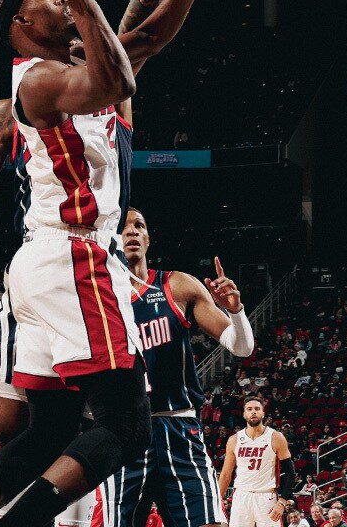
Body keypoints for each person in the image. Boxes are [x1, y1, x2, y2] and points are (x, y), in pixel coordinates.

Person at [0, 0, 228, 527]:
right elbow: (118, 69)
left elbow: (150, 19)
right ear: (19, 22)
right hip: (70, 255)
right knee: (127, 428)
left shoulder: (79, 68)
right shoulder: (38, 83)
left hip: (49, 262)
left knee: (47, 432)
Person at [94, 208, 254, 527]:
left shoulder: (177, 286)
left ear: (149, 238)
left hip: (177, 426)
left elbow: (242, 346)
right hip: (123, 433)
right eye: (123, 227)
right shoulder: (95, 299)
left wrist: (236, 311)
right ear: (107, 239)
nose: (132, 232)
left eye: (139, 225)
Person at [219, 396, 296, 527]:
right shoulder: (234, 440)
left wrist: (282, 501)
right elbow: (226, 474)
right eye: (249, 409)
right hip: (241, 495)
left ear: (263, 413)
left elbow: (290, 472)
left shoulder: (276, 437)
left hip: (266, 496)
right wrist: (217, 501)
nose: (253, 412)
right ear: (244, 414)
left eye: (257, 409)